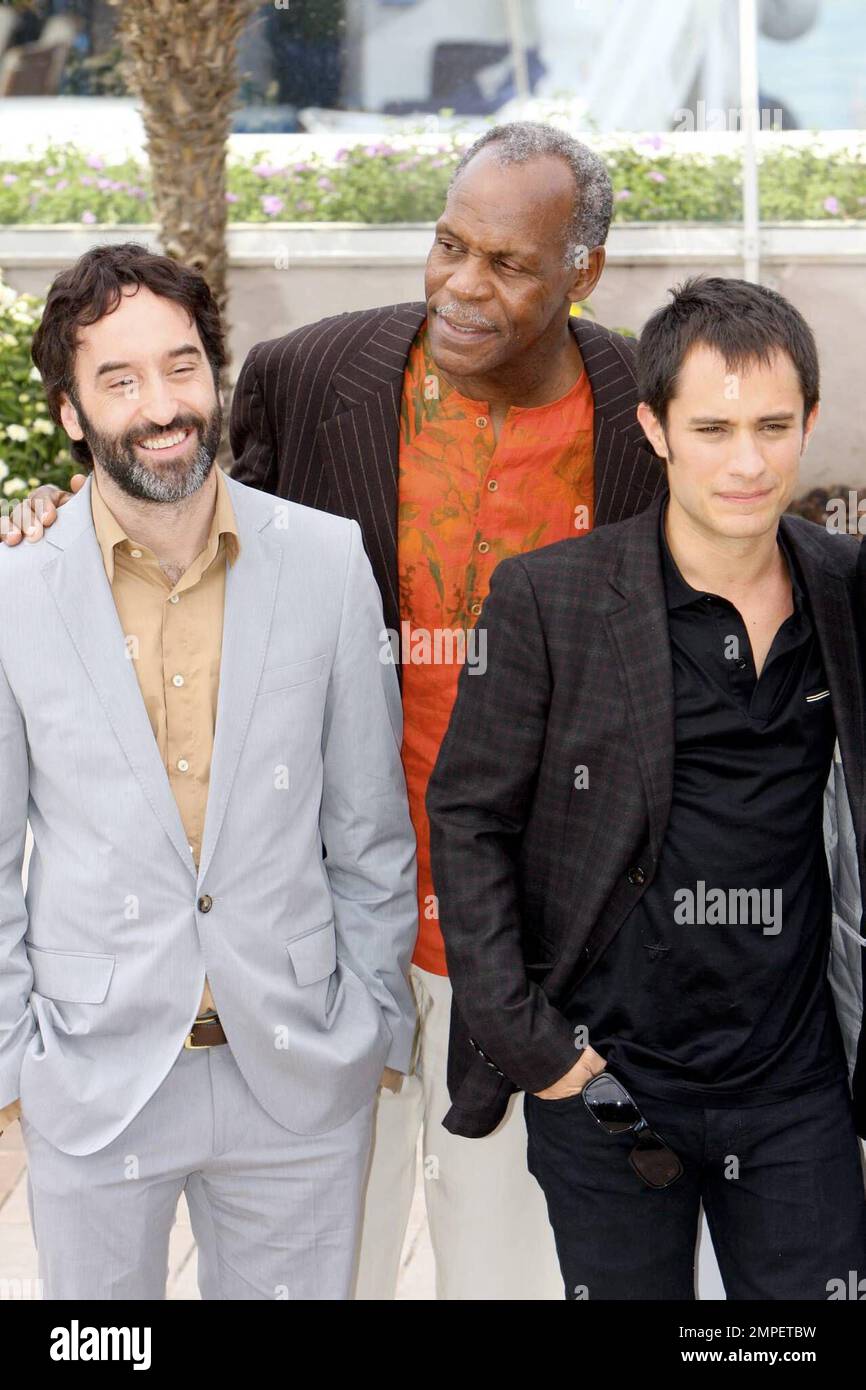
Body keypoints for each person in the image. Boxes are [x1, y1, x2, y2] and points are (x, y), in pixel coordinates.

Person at [5, 121, 664, 1301]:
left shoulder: (638, 420)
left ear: (582, 273)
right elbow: (186, 508)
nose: (462, 284)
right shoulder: (312, 378)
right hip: (311, 950)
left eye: (506, 263)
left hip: (519, 949)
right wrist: (59, 526)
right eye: (446, 243)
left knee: (502, 1274)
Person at [426, 275, 866, 1300]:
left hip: (795, 1086)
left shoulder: (844, 588)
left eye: (771, 424)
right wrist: (537, 1046)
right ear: (654, 428)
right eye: (710, 427)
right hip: (607, 1083)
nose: (746, 461)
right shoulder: (551, 598)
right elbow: (468, 816)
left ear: (809, 421)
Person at [0, 243, 417, 1300]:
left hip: (294, 1070)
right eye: (119, 379)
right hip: (96, 1077)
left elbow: (366, 827)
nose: (161, 405)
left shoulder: (327, 563)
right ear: (68, 411)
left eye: (181, 365)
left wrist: (368, 1020)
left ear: (216, 374)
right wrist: (15, 1066)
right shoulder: (14, 592)